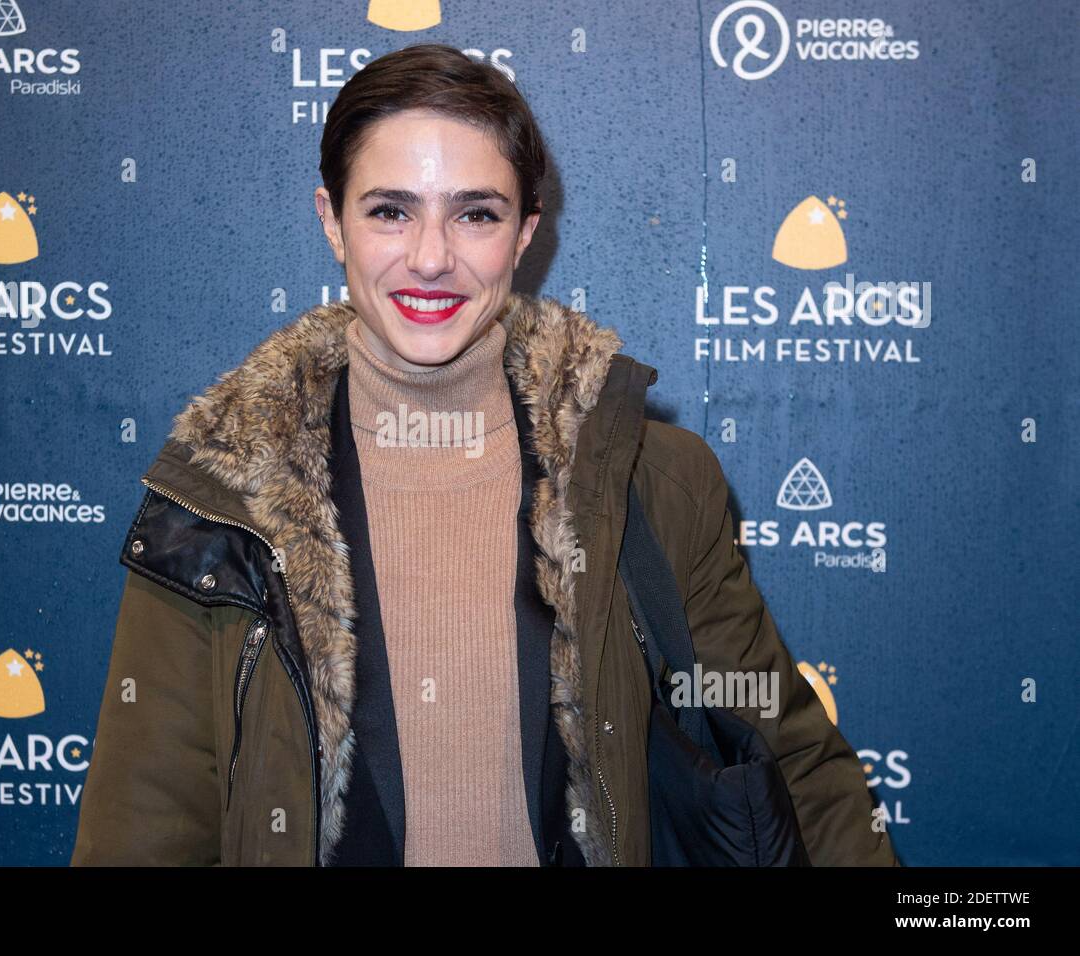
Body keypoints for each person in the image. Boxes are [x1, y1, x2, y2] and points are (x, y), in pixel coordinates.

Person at [70, 43, 898, 867]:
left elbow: (790, 762)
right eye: (390, 211)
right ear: (332, 221)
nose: (431, 257)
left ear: (526, 232)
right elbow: (147, 819)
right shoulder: (222, 490)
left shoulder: (654, 479)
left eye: (476, 213)